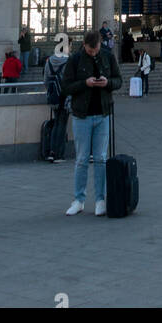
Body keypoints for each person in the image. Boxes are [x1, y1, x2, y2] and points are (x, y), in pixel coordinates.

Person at [60, 29, 122, 216]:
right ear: (84, 45)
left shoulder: (107, 56)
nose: (93, 53)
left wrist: (107, 83)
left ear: (99, 45)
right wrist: (84, 84)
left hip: (103, 114)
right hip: (82, 115)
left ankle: (100, 200)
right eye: (89, 50)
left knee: (101, 159)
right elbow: (66, 87)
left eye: (95, 50)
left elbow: (119, 80)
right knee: (81, 159)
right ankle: (79, 200)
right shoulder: (75, 59)